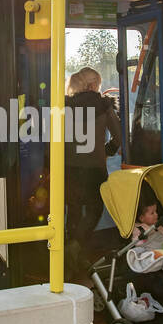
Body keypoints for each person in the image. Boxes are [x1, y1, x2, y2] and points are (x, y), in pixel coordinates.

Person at [64, 66, 121, 276]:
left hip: (68, 169)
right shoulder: (104, 106)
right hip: (94, 170)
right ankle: (75, 248)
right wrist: (104, 152)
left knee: (74, 211)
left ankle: (71, 258)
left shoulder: (65, 105)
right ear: (93, 85)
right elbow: (119, 138)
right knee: (95, 210)